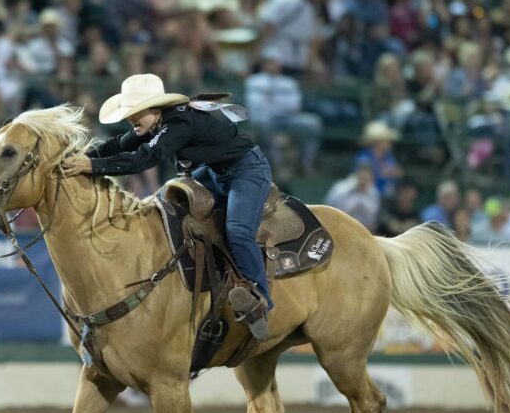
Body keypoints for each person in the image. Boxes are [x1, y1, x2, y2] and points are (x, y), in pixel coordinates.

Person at [61, 73, 274, 340]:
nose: (130, 118)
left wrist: (92, 167)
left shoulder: (179, 123)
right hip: (214, 171)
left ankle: (261, 300)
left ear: (154, 108)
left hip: (246, 169)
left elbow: (146, 157)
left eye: (136, 111)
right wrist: (84, 157)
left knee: (238, 230)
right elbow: (118, 145)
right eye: (129, 112)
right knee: (166, 205)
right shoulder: (159, 123)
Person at [244, 50, 322, 177]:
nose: (273, 65)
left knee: (312, 123)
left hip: (287, 119)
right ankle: (277, 169)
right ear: (264, 64)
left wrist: (271, 101)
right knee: (263, 125)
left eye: (276, 62)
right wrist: (280, 104)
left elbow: (294, 106)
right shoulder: (254, 81)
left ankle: (304, 165)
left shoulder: (289, 82)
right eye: (270, 62)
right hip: (266, 120)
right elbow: (256, 107)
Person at [324, 154, 380, 233]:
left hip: (364, 234)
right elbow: (328, 216)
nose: (364, 175)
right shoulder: (340, 189)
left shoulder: (374, 192)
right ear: (355, 172)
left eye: (367, 171)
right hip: (338, 230)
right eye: (361, 170)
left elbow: (372, 222)